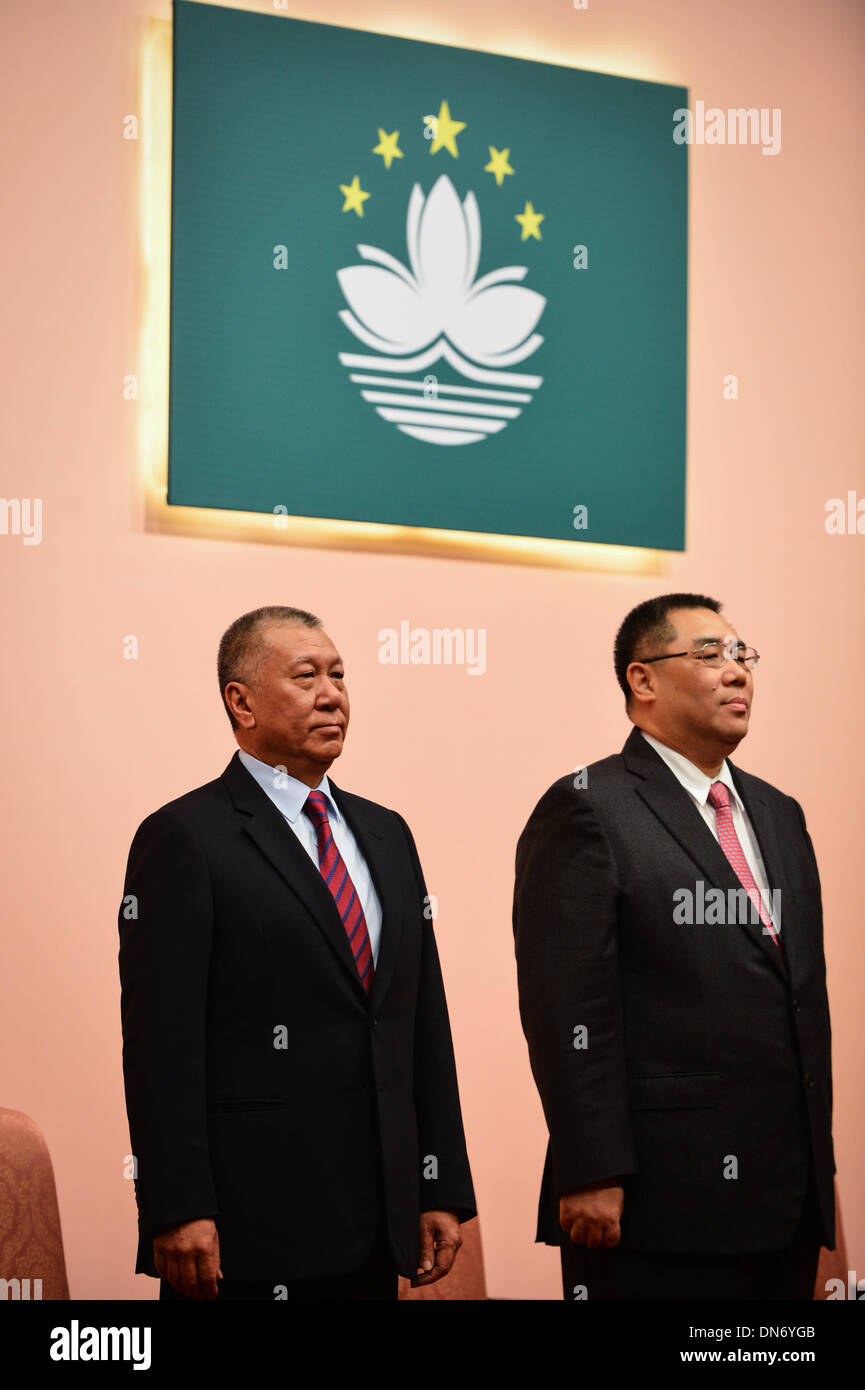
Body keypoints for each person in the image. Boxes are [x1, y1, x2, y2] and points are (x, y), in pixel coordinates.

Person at [119, 605, 475, 1300]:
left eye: (339, 675)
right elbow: (160, 1042)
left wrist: (439, 1186)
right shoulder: (185, 837)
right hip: (250, 1226)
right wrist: (177, 1204)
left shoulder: (386, 833)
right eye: (306, 676)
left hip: (378, 1221)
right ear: (241, 701)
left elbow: (420, 1023)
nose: (331, 694)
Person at [513, 593, 835, 1300]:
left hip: (784, 1195)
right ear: (643, 679)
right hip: (657, 1199)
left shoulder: (779, 813)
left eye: (743, 655)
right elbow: (565, 1006)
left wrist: (820, 1167)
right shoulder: (588, 805)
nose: (736, 672)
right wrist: (591, 1167)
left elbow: (796, 997)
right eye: (710, 654)